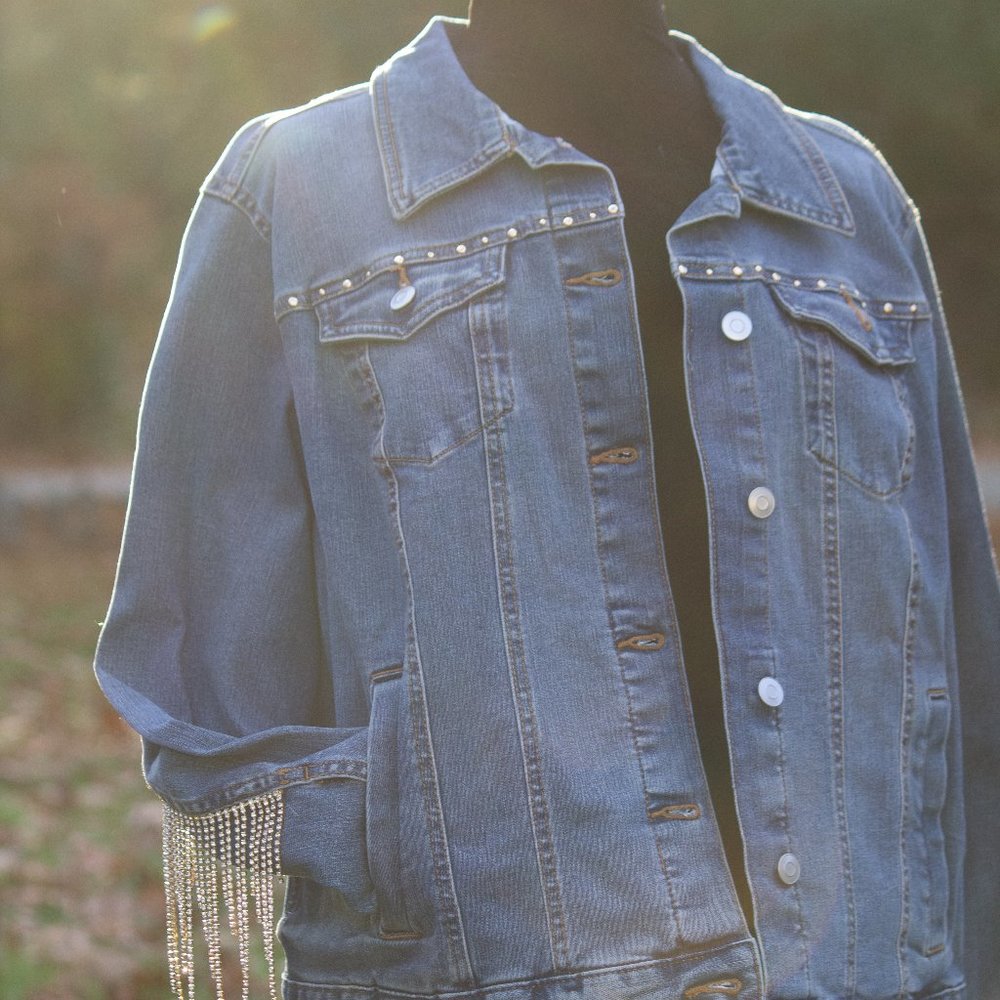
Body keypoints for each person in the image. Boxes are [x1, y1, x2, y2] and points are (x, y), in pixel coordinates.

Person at [93, 3, 1000, 999]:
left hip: (858, 969)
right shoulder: (295, 193)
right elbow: (194, 683)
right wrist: (417, 844)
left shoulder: (846, 198)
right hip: (492, 971)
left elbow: (956, 656)